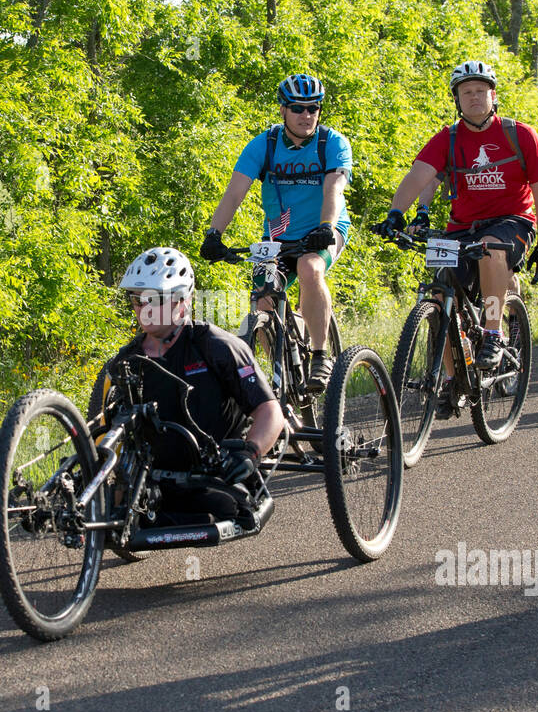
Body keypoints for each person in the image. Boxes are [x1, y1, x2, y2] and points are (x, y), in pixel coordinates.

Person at [372, 60, 538, 414]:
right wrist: (397, 213)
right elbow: (419, 176)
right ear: (457, 99)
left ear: (493, 95)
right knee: (440, 291)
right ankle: (457, 378)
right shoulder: (448, 139)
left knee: (491, 251)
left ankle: (492, 331)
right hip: (462, 226)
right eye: (466, 92)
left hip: (512, 221)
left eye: (480, 91)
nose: (474, 97)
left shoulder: (519, 134)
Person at [102, 247, 284, 528]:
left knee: (224, 508)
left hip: (216, 476)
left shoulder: (216, 346)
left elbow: (269, 409)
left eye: (153, 299)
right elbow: (109, 429)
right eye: (136, 300)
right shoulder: (126, 361)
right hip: (157, 482)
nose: (142, 308)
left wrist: (251, 452)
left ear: (182, 303)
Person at [199, 74, 352, 392]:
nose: (306, 115)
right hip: (279, 239)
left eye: (313, 108)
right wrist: (214, 234)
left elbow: (334, 189)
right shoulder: (264, 145)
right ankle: (287, 380)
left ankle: (321, 356)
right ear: (283, 110)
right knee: (263, 305)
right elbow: (234, 194)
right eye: (298, 108)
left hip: (326, 229)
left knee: (310, 267)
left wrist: (325, 227)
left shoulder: (332, 142)